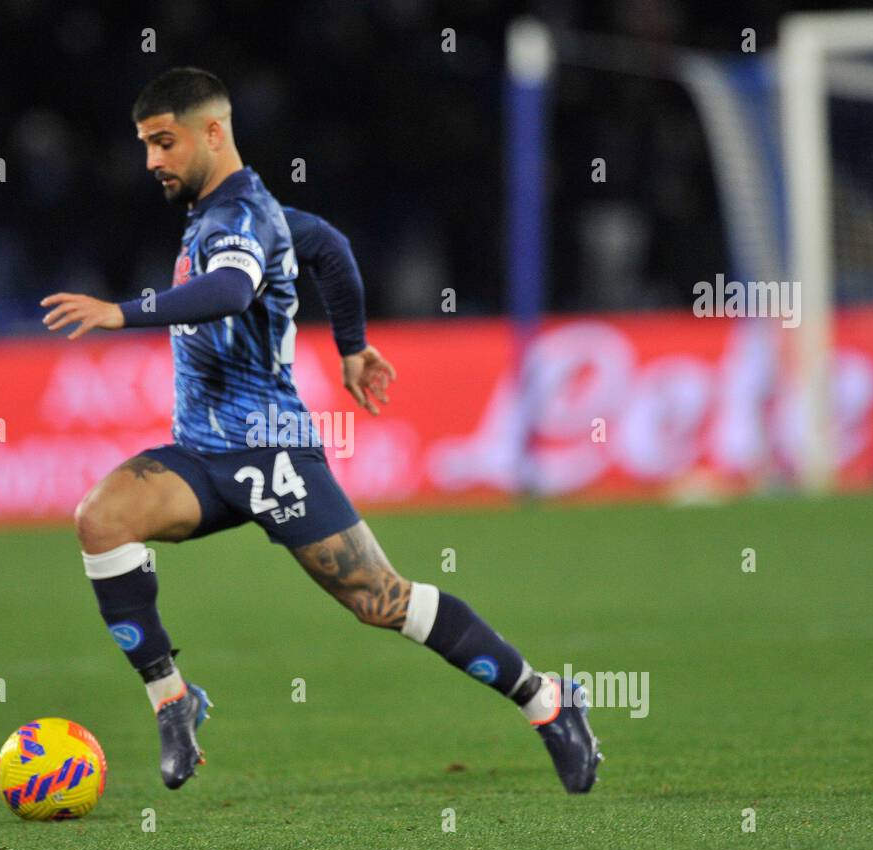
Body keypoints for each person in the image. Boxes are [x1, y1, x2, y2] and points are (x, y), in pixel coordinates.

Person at [40, 67, 601, 793]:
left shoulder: (239, 217)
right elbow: (328, 246)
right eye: (147, 144)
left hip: (272, 454)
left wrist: (124, 311)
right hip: (200, 457)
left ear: (213, 132)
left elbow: (232, 290)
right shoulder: (240, 210)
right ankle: (174, 701)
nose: (152, 160)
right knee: (101, 520)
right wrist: (352, 346)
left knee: (381, 600)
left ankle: (548, 701)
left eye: (164, 142)